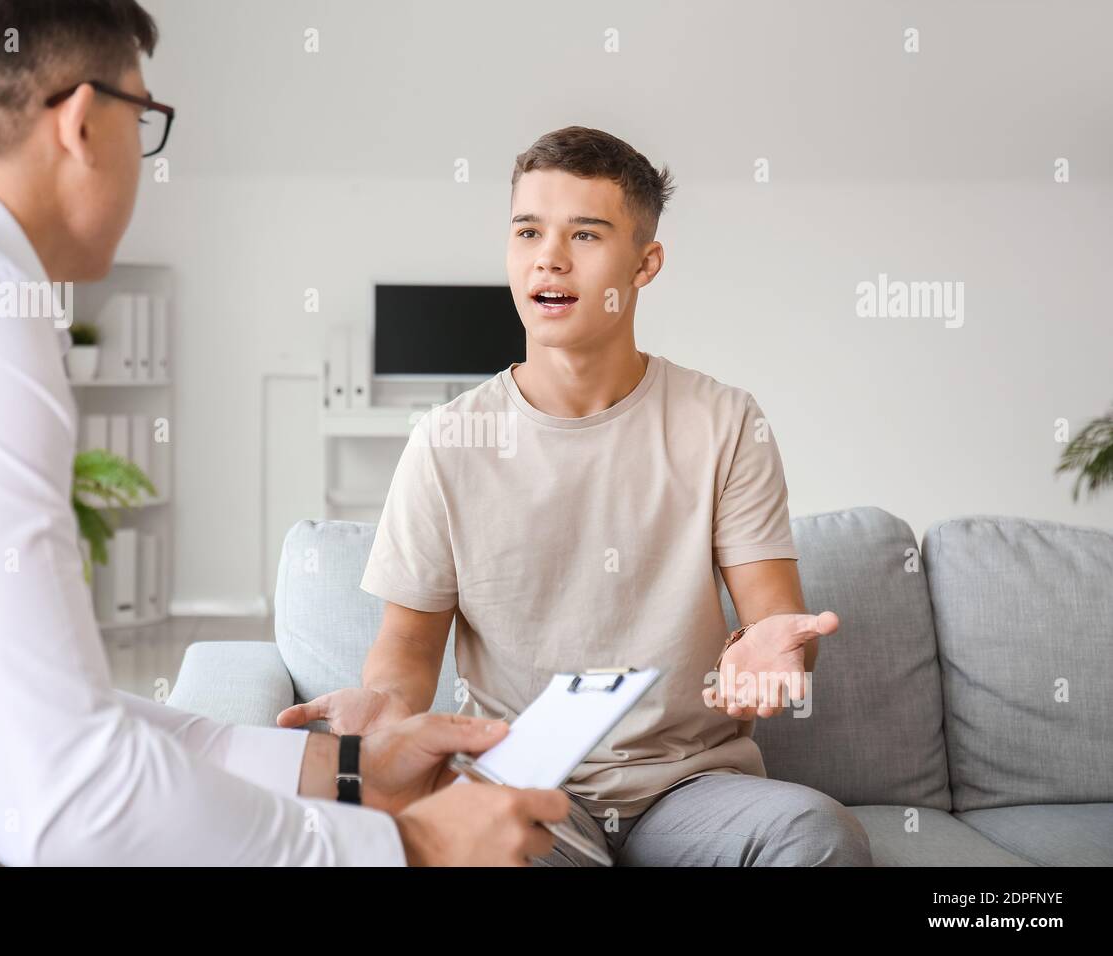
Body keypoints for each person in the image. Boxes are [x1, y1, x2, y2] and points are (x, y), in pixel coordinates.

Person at [0, 0, 568, 867]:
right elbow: (70, 802)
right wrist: (407, 849)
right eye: (146, 119)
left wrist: (348, 771)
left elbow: (48, 716)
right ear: (82, 122)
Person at [279, 126, 873, 867]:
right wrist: (386, 713)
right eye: (528, 230)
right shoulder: (446, 442)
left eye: (585, 234)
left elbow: (776, 623)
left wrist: (779, 653)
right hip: (520, 780)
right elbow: (406, 649)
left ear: (645, 263)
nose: (549, 257)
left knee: (819, 835)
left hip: (692, 788)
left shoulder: (725, 421)